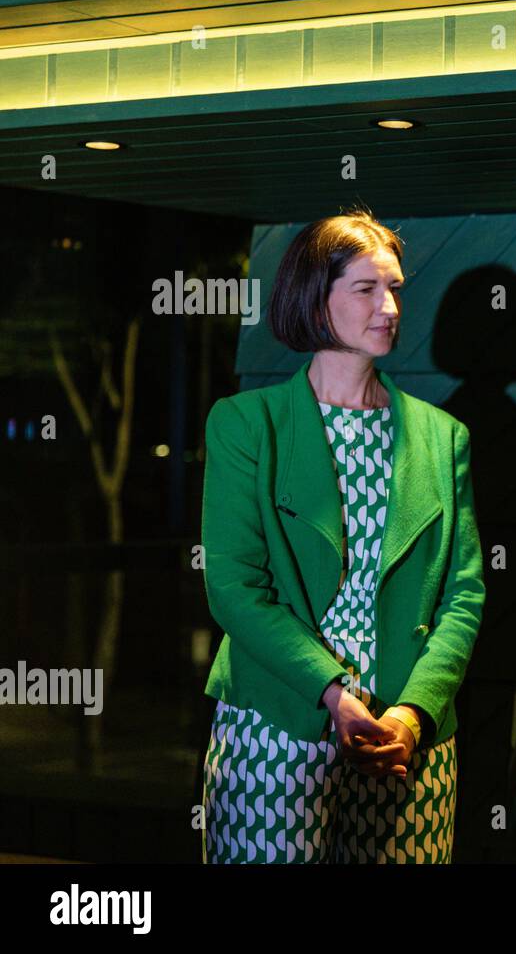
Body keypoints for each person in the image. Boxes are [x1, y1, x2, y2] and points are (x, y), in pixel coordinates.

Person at [199, 209, 484, 863]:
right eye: (365, 288)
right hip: (278, 722)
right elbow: (235, 589)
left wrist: (413, 714)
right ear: (315, 299)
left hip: (405, 736)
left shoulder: (445, 439)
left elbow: (463, 597)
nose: (389, 306)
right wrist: (335, 695)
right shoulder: (246, 425)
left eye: (395, 288)